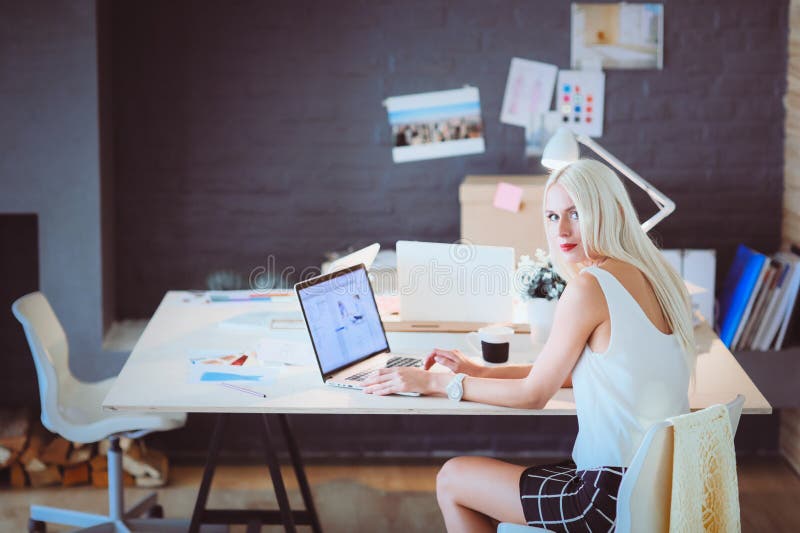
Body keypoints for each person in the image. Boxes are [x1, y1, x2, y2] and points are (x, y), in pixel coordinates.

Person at [362, 159, 694, 532]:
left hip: (605, 499)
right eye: (552, 216)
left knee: (452, 479)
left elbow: (534, 394)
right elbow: (574, 372)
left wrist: (433, 383)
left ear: (610, 213)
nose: (562, 230)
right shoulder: (660, 278)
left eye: (575, 213)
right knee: (482, 490)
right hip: (655, 489)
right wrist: (481, 371)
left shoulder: (591, 286)